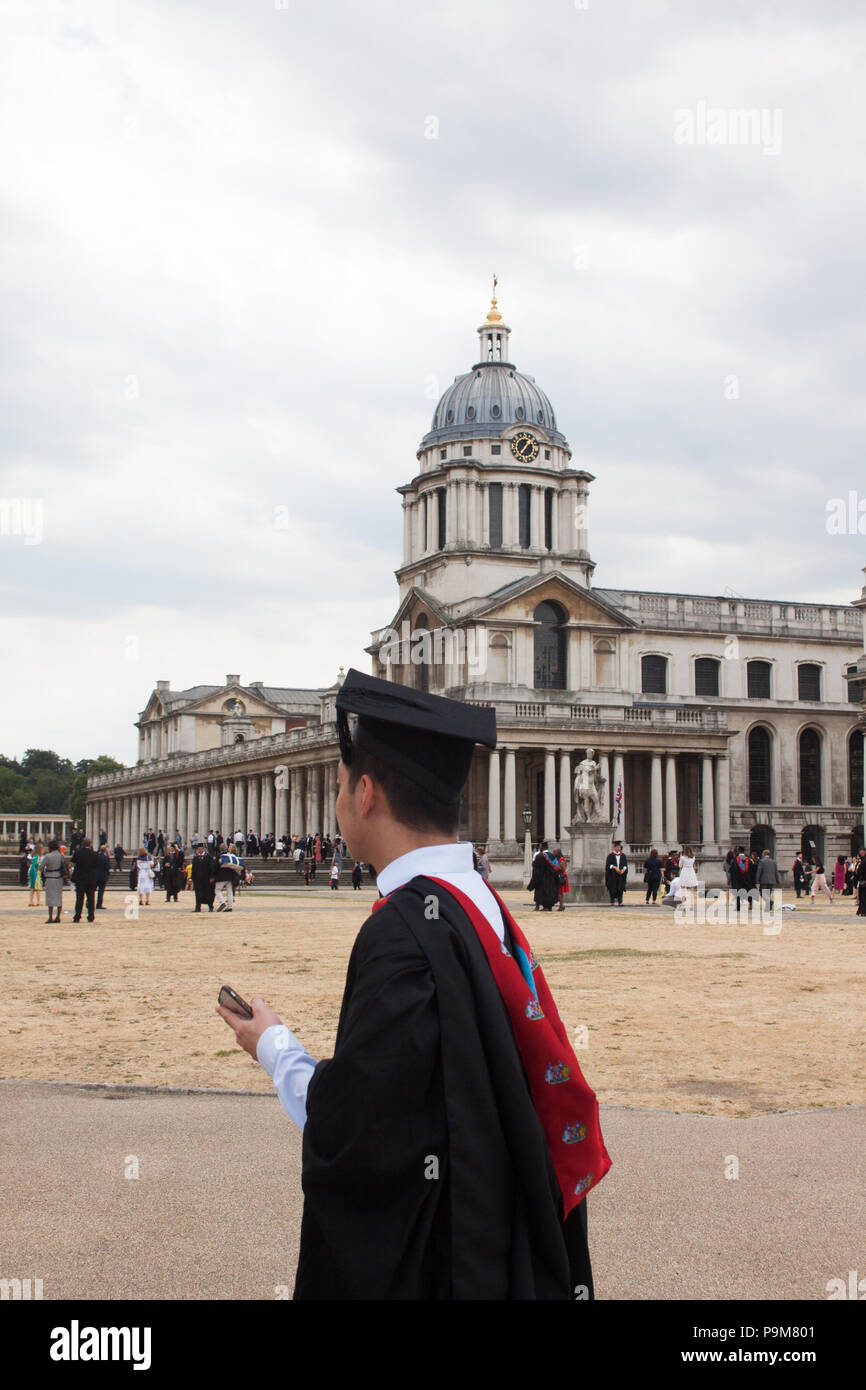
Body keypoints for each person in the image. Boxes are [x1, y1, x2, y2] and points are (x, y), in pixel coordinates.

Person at [216, 667, 610, 1300]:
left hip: (447, 1260)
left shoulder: (404, 934)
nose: (339, 798)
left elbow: (355, 1132)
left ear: (365, 793)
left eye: (340, 784)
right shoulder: (478, 900)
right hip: (501, 1230)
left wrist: (272, 1046)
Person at [71, 837, 99, 922]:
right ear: (90, 844)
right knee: (91, 898)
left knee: (79, 898)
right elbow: (95, 865)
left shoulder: (78, 853)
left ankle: (77, 916)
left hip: (80, 878)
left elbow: (73, 862)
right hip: (90, 878)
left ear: (82, 843)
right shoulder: (94, 854)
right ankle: (91, 916)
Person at [528, 843, 560, 912]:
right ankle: (549, 907)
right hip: (551, 878)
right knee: (550, 892)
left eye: (540, 847)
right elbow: (556, 868)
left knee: (540, 893)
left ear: (542, 847)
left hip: (542, 879)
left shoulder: (539, 856)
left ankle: (539, 907)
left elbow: (537, 869)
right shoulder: (552, 856)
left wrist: (534, 880)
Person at [42, 839, 67, 924]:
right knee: (58, 897)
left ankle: (50, 917)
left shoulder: (48, 856)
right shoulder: (61, 856)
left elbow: (41, 867)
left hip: (50, 878)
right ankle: (58, 916)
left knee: (50, 898)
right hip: (59, 878)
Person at [191, 845, 215, 912]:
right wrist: (192, 878)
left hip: (207, 879)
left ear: (203, 849)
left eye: (201, 848)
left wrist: (212, 877)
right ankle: (198, 907)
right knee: (198, 893)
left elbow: (212, 868)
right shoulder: (196, 858)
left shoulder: (208, 857)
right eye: (198, 849)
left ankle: (210, 907)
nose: (199, 850)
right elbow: (193, 869)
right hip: (198, 879)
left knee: (208, 893)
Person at [604, 841, 628, 906]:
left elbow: (625, 864)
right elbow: (608, 865)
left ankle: (620, 901)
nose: (618, 848)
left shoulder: (623, 856)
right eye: (617, 847)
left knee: (620, 888)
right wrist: (614, 867)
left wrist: (624, 869)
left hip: (620, 875)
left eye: (619, 847)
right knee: (612, 888)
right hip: (613, 875)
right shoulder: (610, 855)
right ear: (614, 847)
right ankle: (612, 901)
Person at [95, 844, 112, 909]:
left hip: (95, 876)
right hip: (103, 876)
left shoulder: (96, 856)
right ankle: (99, 904)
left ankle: (88, 903)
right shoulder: (106, 858)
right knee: (101, 892)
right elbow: (108, 867)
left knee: (92, 890)